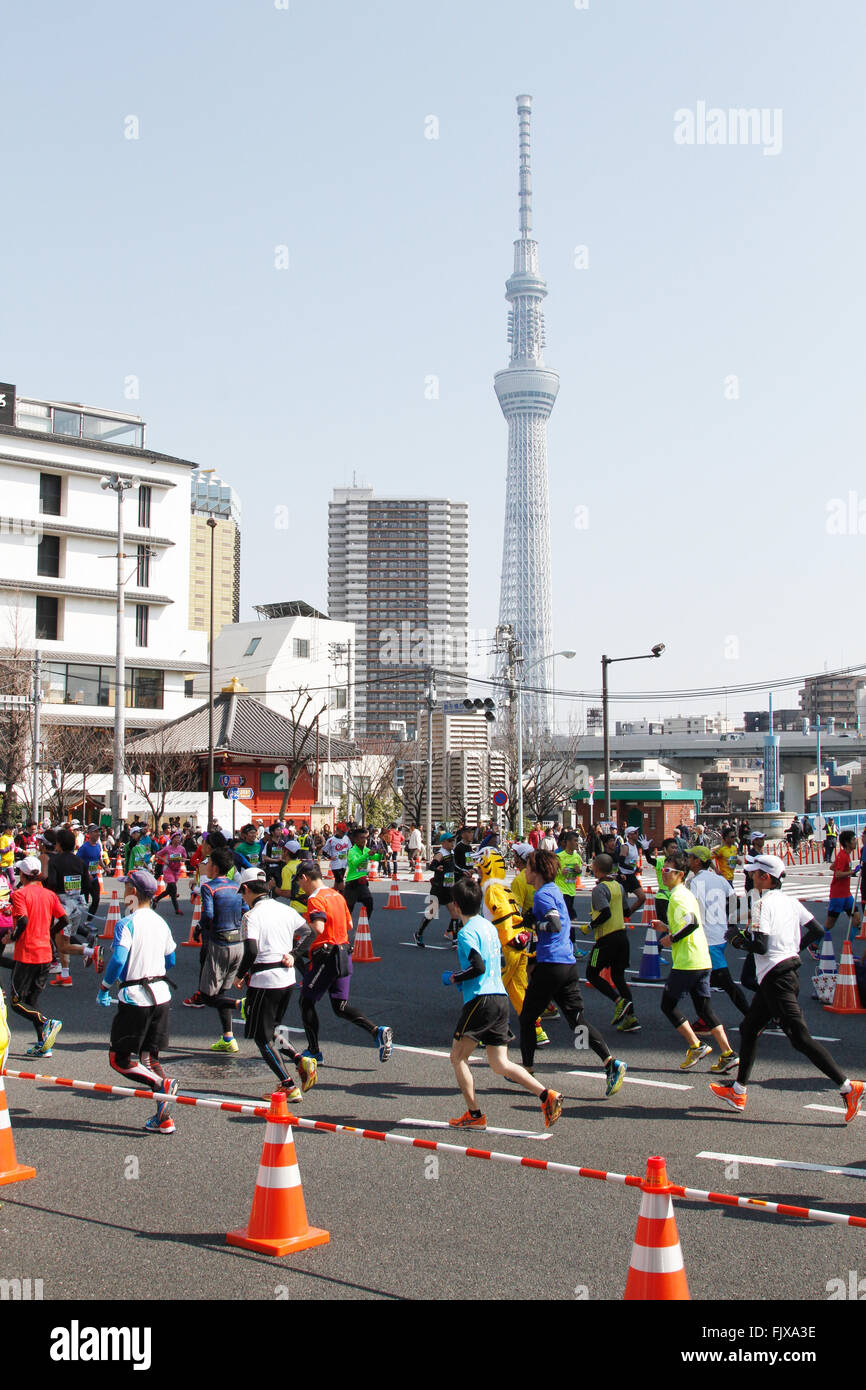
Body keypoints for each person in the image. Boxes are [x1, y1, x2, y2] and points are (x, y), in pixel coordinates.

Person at [710, 854, 863, 1121]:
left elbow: (760, 946)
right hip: (782, 973)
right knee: (749, 1028)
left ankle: (849, 1087)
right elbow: (816, 930)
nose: (750, 878)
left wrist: (736, 940)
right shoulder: (791, 902)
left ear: (765, 878)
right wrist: (793, 950)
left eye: (753, 874)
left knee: (799, 1038)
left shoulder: (762, 905)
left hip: (776, 980)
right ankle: (738, 1090)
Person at [443, 877, 562, 1130]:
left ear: (456, 905)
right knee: (500, 1064)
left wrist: (455, 977)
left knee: (457, 1057)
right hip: (499, 998)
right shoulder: (488, 927)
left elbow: (477, 967)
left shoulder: (465, 933)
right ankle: (546, 1095)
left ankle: (474, 1116)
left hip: (480, 999)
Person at [520, 850, 627, 1097]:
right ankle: (611, 1063)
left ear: (537, 871)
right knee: (575, 1019)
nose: (525, 871)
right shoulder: (554, 890)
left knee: (527, 1018)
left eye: (528, 867)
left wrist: (533, 924)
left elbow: (554, 924)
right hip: (567, 964)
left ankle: (527, 1072)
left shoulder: (542, 894)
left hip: (551, 964)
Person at [98, 870, 180, 1134]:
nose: (124, 892)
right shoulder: (161, 922)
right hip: (161, 994)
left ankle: (160, 1085)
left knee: (119, 1059)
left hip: (135, 998)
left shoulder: (127, 923)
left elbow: (118, 959)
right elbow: (171, 960)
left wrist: (104, 987)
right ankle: (164, 1118)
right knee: (149, 1058)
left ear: (133, 892)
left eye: (126, 888)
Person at [227, 868, 317, 1101]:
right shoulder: (284, 909)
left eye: (242, 893)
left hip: (264, 981)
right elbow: (309, 933)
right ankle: (300, 1060)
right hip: (287, 979)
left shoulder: (251, 916)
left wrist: (239, 975)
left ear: (245, 889)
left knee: (261, 1036)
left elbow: (251, 950)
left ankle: (288, 1085)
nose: (243, 898)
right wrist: (294, 955)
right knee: (272, 1029)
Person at [294, 862, 392, 1065]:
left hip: (326, 956)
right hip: (343, 953)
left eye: (299, 881)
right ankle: (376, 1031)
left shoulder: (315, 899)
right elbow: (349, 924)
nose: (299, 886)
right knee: (340, 1006)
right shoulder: (337, 895)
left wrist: (300, 926)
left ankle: (314, 1051)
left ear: (304, 877)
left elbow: (318, 927)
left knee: (306, 1001)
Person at [653, 851, 738, 1072]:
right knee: (704, 1010)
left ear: (680, 874)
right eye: (663, 869)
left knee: (667, 1005)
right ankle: (728, 1053)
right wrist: (666, 927)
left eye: (668, 870)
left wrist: (671, 938)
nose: (664, 874)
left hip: (687, 961)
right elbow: (689, 922)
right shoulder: (686, 893)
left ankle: (696, 1046)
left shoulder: (677, 896)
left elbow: (691, 923)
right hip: (702, 959)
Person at [186, 847, 247, 1052]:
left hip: (219, 944)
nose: (206, 866)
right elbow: (246, 910)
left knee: (207, 996)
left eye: (208, 863)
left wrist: (199, 928)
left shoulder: (209, 887)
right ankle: (228, 1037)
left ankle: (241, 1005)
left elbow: (209, 914)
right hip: (238, 944)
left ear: (215, 867)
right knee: (222, 993)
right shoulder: (237, 886)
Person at [686, 845, 749, 1032]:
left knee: (724, 983)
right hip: (720, 935)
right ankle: (705, 1019)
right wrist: (728, 922)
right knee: (701, 982)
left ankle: (753, 1018)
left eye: (690, 857)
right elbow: (734, 900)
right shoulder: (720, 879)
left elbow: (691, 909)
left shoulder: (695, 883)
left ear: (698, 861)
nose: (688, 860)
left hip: (708, 938)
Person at [8, 856, 66, 1057]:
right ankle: (44, 1045)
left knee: (16, 1002)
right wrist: (50, 932)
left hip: (27, 954)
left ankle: (47, 1022)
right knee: (32, 1001)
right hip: (46, 954)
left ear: (23, 875)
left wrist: (12, 938)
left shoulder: (19, 894)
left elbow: (23, 921)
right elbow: (64, 919)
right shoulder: (49, 894)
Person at [582, 853, 639, 1033]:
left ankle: (618, 1001)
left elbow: (605, 913)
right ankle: (631, 1017)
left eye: (593, 864)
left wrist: (590, 926)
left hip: (606, 939)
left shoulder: (599, 889)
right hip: (622, 936)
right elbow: (625, 911)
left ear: (597, 868)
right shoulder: (618, 886)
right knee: (618, 976)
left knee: (591, 973)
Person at [415, 831, 456, 945]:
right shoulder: (441, 853)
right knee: (432, 912)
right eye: (450, 841)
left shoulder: (452, 852)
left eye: (453, 840)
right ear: (443, 843)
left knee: (454, 913)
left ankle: (455, 938)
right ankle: (419, 933)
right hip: (438, 888)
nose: (452, 843)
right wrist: (437, 868)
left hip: (448, 886)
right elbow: (431, 866)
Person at [825, 829, 862, 939]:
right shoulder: (843, 856)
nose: (856, 841)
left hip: (847, 894)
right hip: (838, 895)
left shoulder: (845, 855)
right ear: (847, 843)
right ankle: (814, 944)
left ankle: (848, 947)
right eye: (853, 839)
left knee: (856, 920)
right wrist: (852, 872)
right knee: (829, 924)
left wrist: (847, 871)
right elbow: (838, 874)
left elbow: (832, 867)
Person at [343, 827, 379, 927]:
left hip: (362, 883)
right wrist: (367, 855)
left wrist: (381, 854)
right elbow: (355, 863)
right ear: (355, 840)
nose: (364, 840)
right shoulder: (352, 851)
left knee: (369, 902)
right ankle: (343, 928)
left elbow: (376, 857)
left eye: (366, 838)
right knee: (348, 909)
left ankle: (364, 924)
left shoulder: (366, 850)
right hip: (352, 883)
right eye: (362, 838)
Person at [152, 832, 187, 916]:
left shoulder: (182, 848)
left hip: (176, 871)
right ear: (172, 839)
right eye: (176, 838)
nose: (178, 839)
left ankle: (156, 899)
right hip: (168, 870)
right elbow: (157, 855)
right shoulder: (167, 849)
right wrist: (164, 860)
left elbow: (184, 857)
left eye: (179, 838)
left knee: (169, 890)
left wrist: (182, 859)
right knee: (173, 887)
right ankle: (177, 909)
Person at [554, 830, 583, 924]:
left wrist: (578, 871)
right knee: (568, 913)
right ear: (568, 842)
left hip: (571, 889)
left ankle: (569, 927)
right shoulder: (559, 856)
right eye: (575, 840)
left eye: (577, 841)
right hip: (561, 889)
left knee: (568, 914)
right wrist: (560, 872)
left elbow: (578, 874)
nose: (577, 843)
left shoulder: (577, 857)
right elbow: (553, 871)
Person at [322, 825, 351, 889]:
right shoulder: (331, 840)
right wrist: (330, 857)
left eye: (344, 832)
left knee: (337, 882)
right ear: (337, 831)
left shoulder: (346, 838)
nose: (343, 833)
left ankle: (334, 893)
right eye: (342, 831)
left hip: (344, 864)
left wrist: (350, 858)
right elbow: (323, 852)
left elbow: (350, 849)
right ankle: (343, 894)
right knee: (341, 882)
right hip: (336, 865)